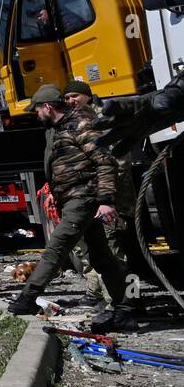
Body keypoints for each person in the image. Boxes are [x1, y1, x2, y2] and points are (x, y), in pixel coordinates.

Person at [8, 85, 135, 332]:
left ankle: (27, 297)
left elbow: (105, 161)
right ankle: (125, 311)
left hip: (84, 198)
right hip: (73, 198)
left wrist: (106, 200)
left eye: (37, 110)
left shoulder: (79, 124)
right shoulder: (60, 128)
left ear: (47, 107)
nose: (36, 116)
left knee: (57, 245)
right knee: (101, 256)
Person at [62, 81, 132, 308]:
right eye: (67, 98)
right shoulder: (76, 121)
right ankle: (100, 294)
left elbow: (118, 161)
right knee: (96, 249)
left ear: (88, 96)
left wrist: (106, 195)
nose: (71, 101)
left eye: (75, 96)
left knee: (117, 251)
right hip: (95, 197)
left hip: (113, 198)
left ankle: (128, 301)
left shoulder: (103, 119)